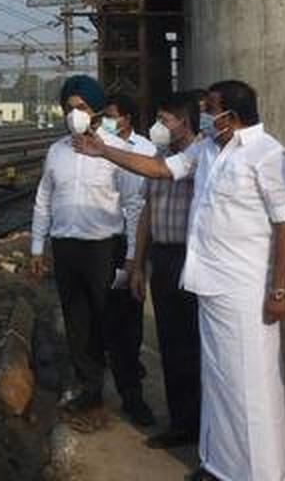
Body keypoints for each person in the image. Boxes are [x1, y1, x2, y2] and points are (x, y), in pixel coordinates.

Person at [74, 80, 285, 481]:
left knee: (252, 385)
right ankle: (221, 464)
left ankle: (264, 471)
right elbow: (161, 168)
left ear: (232, 113)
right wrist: (105, 150)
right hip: (209, 282)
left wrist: (279, 289)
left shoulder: (268, 155)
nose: (205, 115)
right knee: (218, 379)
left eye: (210, 108)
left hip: (246, 289)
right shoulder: (206, 148)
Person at [30, 75, 146, 427]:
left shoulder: (117, 151)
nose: (73, 114)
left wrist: (131, 259)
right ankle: (90, 389)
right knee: (78, 325)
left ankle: (133, 397)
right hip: (66, 248)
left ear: (95, 110)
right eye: (68, 108)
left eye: (80, 107)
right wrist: (37, 246)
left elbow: (134, 205)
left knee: (116, 326)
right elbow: (43, 200)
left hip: (105, 249)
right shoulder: (56, 152)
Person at [130, 92, 202, 448]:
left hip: (194, 258)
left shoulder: (202, 157)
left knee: (198, 345)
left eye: (165, 119)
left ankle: (205, 424)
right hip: (164, 256)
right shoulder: (157, 159)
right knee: (172, 343)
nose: (158, 127)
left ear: (184, 122)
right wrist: (139, 264)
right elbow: (147, 212)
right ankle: (181, 423)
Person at [101, 93, 157, 427]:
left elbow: (140, 205)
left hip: (133, 238)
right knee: (110, 309)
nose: (108, 121)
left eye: (113, 115)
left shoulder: (146, 150)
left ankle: (129, 365)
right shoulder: (97, 149)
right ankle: (119, 364)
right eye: (105, 115)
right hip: (105, 239)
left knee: (129, 308)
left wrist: (135, 254)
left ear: (128, 119)